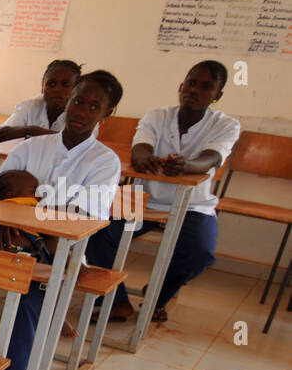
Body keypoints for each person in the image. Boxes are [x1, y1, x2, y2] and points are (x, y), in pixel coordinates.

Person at [0, 69, 124, 370]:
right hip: (5, 245)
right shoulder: (30, 148)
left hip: (59, 255)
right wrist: (26, 216)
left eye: (94, 106)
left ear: (105, 115)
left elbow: (79, 221)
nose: (81, 111)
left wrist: (33, 205)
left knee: (30, 302)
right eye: (78, 101)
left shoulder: (104, 161)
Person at [84, 60, 241, 323]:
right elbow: (140, 148)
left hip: (192, 204)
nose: (195, 90)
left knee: (200, 252)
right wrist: (143, 158)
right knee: (96, 234)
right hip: (141, 199)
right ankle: (116, 301)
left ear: (217, 96)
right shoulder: (157, 115)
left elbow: (212, 158)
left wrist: (186, 166)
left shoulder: (226, 125)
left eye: (205, 87)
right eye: (191, 83)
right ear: (181, 86)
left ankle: (158, 296)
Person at [0, 59, 82, 144]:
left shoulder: (83, 113)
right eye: (51, 84)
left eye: (65, 84)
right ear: (42, 88)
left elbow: (75, 143)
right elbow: (1, 136)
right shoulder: (29, 106)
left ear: (77, 89)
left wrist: (31, 131)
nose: (57, 89)